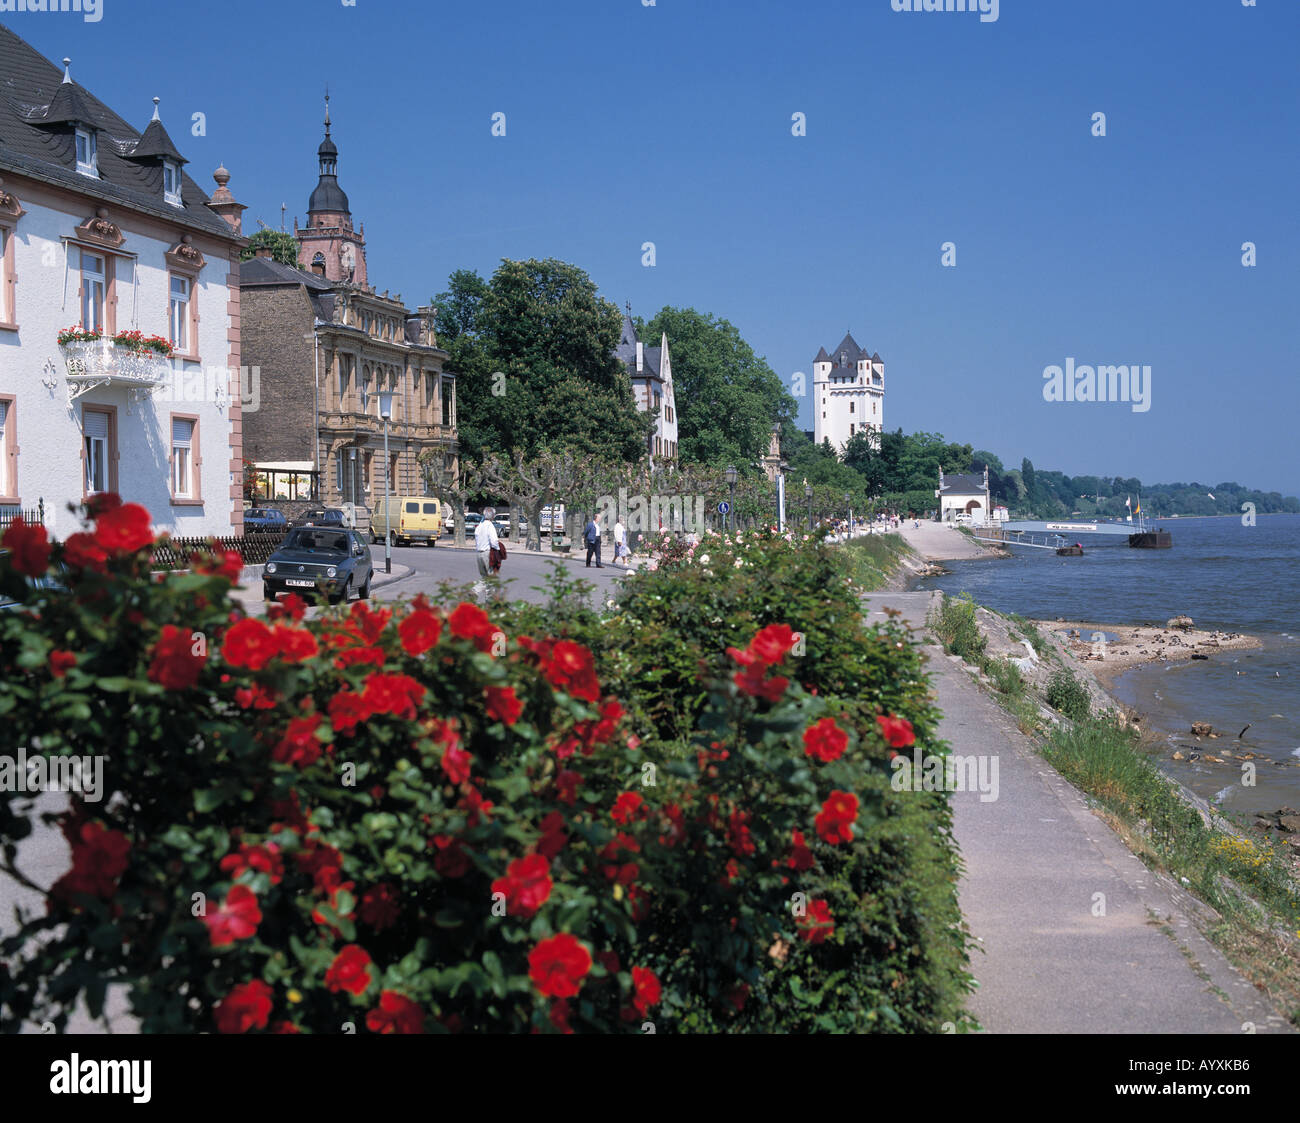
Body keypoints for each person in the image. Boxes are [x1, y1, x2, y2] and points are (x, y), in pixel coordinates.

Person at [474, 507, 501, 599]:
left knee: (484, 577)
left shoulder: (479, 526)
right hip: (487, 553)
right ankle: (489, 599)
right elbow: (494, 541)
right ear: (493, 516)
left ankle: (475, 590)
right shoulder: (490, 526)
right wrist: (497, 551)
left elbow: (477, 540)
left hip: (479, 553)